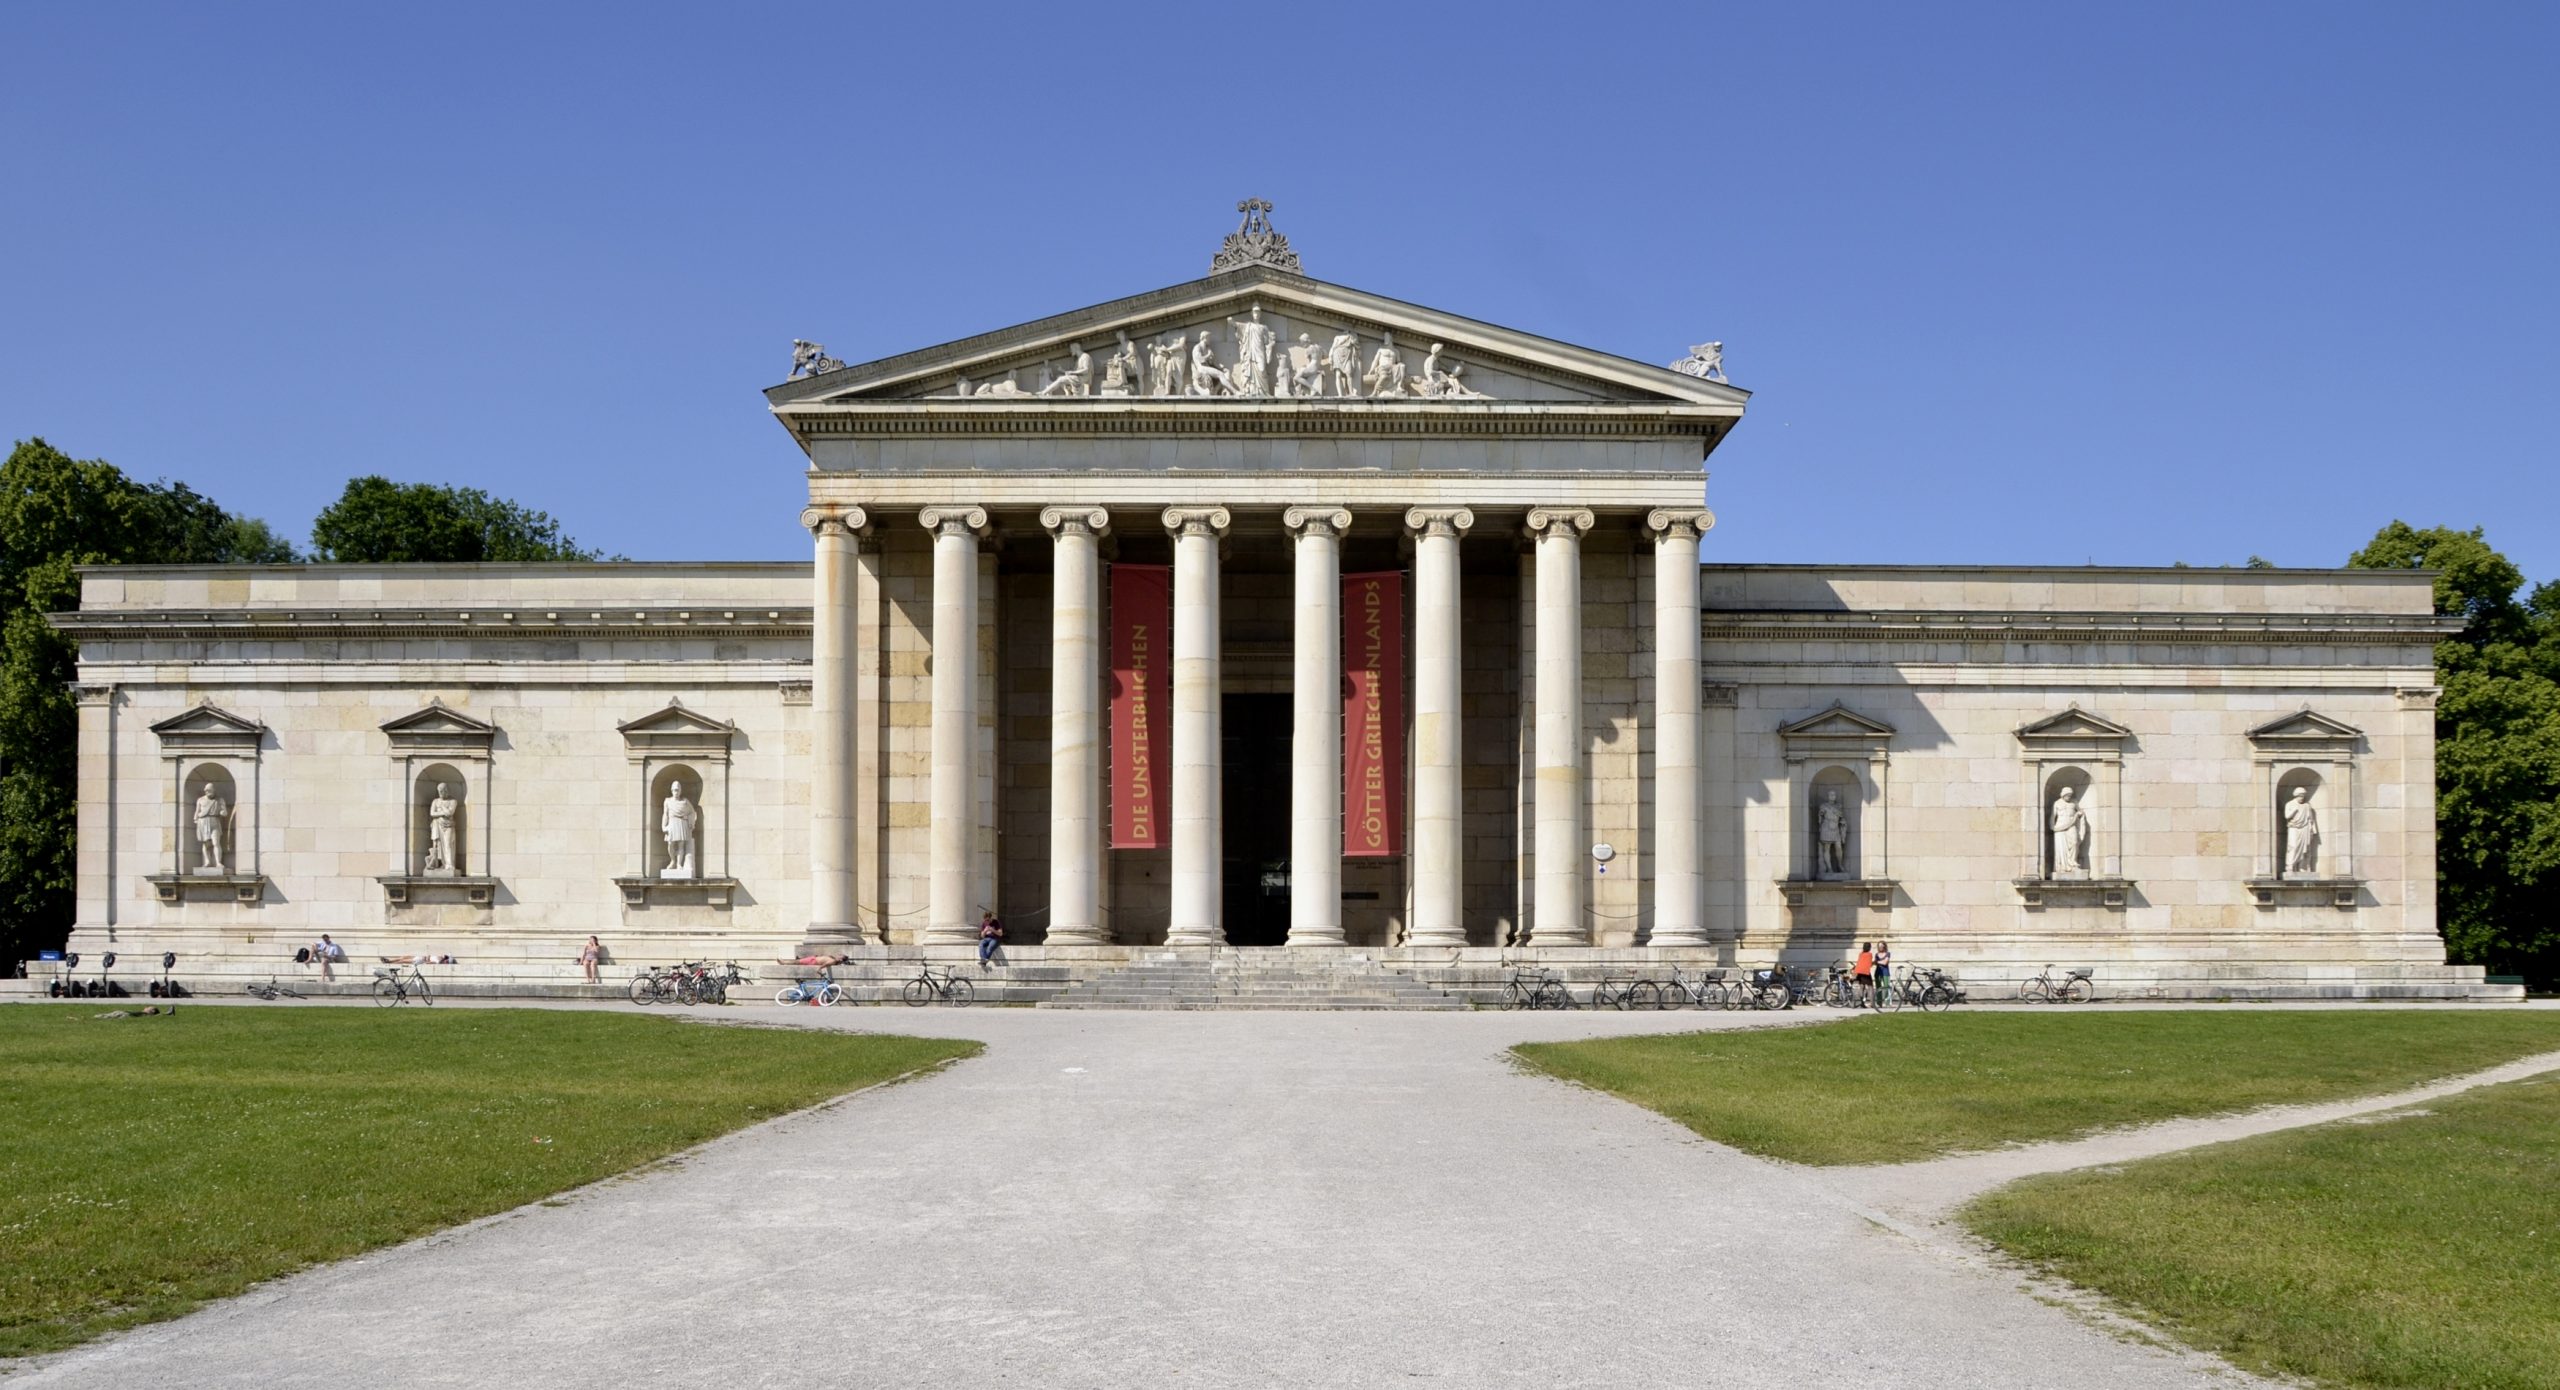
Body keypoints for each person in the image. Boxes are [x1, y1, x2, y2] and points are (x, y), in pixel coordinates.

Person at [1852, 941, 1875, 1006]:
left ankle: (1862, 1002)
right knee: (1870, 987)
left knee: (1861, 986)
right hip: (1866, 972)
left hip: (1859, 972)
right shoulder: (1869, 954)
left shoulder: (1861, 954)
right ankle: (1872, 1003)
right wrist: (1875, 962)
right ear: (1869, 948)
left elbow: (1860, 963)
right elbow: (1869, 964)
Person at [1871, 940, 1893, 1009]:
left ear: (1884, 946)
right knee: (1878, 988)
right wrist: (1879, 962)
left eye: (1881, 946)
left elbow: (1885, 963)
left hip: (1885, 972)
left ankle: (1887, 1002)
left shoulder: (1888, 953)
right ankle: (1879, 1003)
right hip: (1878, 972)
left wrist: (1877, 962)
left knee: (1886, 987)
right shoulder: (1877, 954)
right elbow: (1875, 963)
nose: (1880, 947)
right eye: (1879, 946)